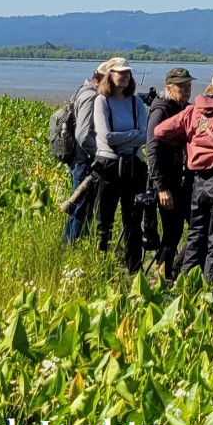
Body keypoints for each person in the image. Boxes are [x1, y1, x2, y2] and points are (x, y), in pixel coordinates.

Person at [155, 69, 213, 299]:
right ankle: (210, 299)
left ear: (212, 88)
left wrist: (189, 144)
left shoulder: (193, 111)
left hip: (199, 183)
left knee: (196, 239)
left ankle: (186, 295)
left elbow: (160, 131)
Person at [92, 59, 149, 273]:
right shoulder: (102, 102)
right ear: (110, 76)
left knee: (133, 222)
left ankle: (134, 268)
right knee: (104, 221)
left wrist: (127, 137)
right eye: (120, 73)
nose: (124, 76)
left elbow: (146, 136)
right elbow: (106, 136)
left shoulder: (137, 103)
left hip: (134, 167)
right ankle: (101, 265)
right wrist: (132, 135)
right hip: (109, 167)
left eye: (127, 73)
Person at [146, 67, 196, 286]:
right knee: (172, 232)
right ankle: (165, 277)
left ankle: (170, 271)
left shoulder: (181, 108)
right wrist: (161, 187)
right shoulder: (161, 111)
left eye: (188, 86)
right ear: (169, 88)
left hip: (180, 180)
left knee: (195, 227)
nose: (186, 90)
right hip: (165, 182)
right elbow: (152, 150)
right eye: (182, 87)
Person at [62, 59, 111, 244]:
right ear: (99, 80)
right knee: (80, 206)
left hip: (80, 158)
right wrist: (100, 152)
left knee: (83, 206)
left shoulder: (84, 90)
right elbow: (83, 135)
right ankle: (71, 246)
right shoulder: (91, 97)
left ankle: (75, 244)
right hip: (84, 159)